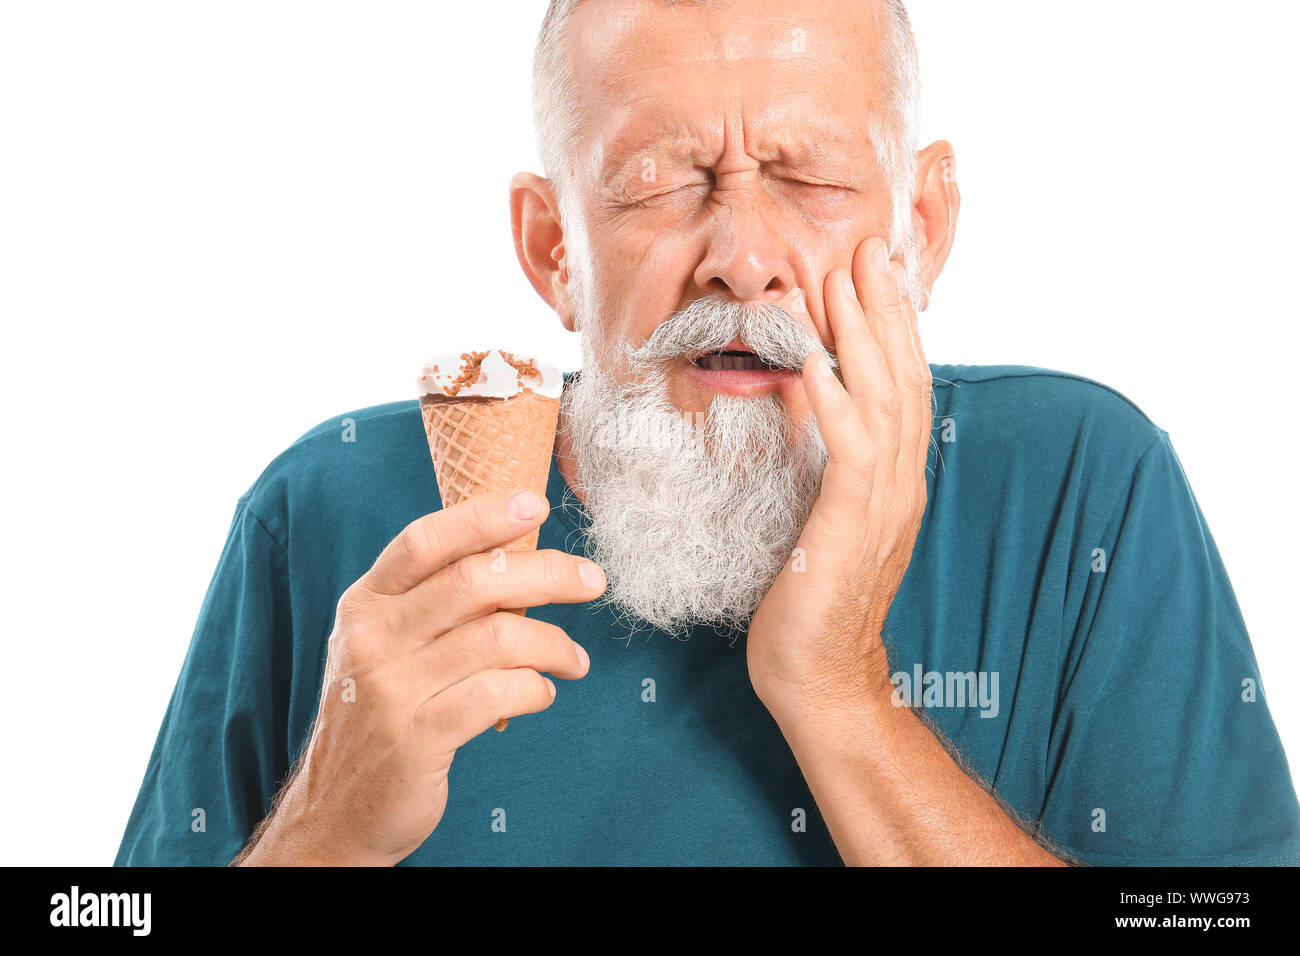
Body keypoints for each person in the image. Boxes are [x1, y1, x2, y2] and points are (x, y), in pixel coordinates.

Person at [117, 0, 1300, 866]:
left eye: (810, 177)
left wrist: (837, 688)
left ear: (923, 225)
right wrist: (320, 835)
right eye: (658, 180)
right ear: (551, 250)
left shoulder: (1083, 487)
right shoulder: (326, 509)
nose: (740, 255)